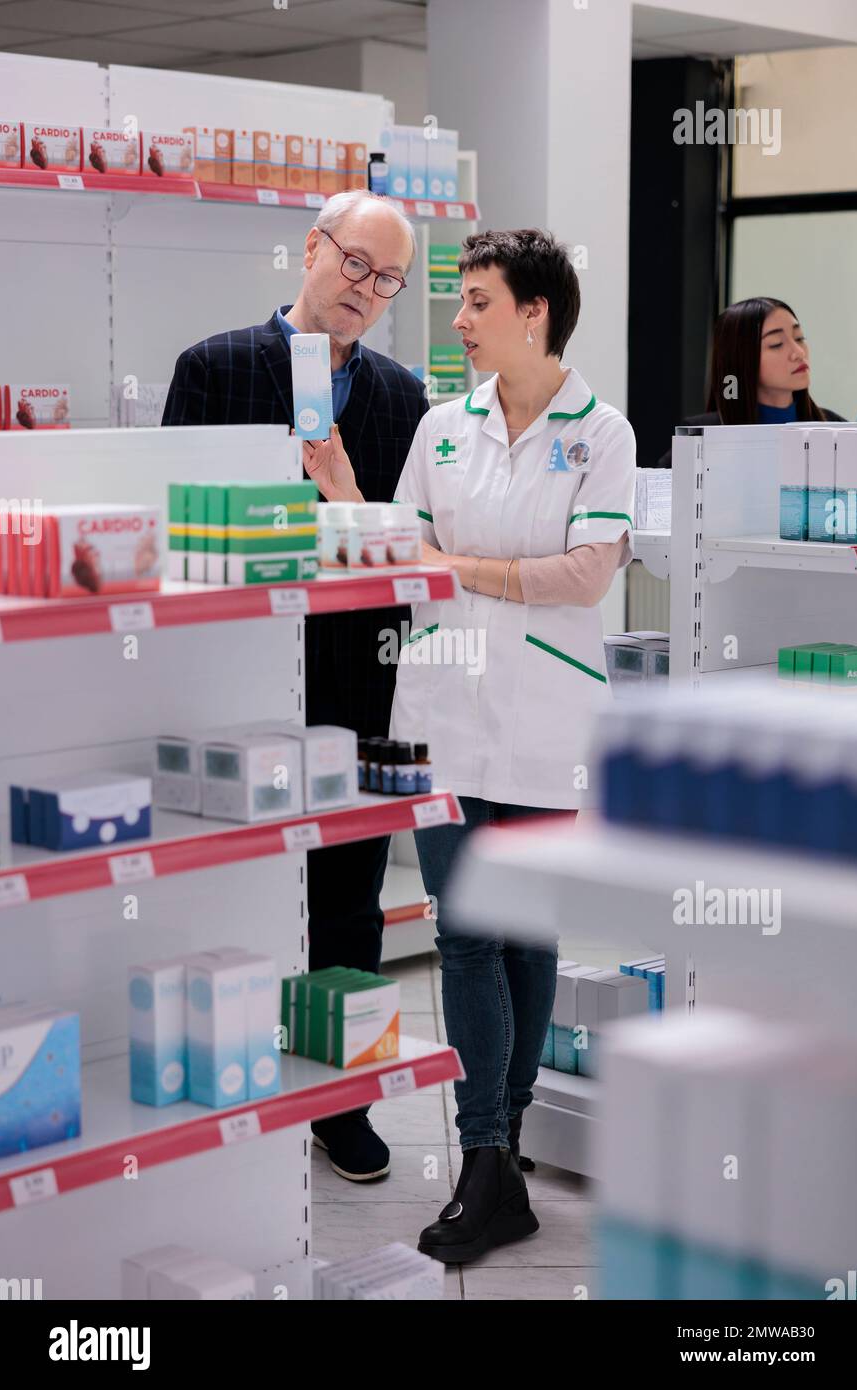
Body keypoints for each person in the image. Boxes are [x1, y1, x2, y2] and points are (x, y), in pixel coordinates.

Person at [306, 228, 636, 1263]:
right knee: (464, 929)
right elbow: (405, 553)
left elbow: (587, 575)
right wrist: (345, 492)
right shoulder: (442, 426)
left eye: (476, 301)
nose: (456, 320)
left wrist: (460, 564)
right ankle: (484, 1153)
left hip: (546, 719)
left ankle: (504, 1154)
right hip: (445, 710)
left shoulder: (601, 432)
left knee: (525, 932)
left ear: (533, 311)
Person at [162, 189, 426, 1184]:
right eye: (355, 264)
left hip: (357, 680)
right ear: (311, 248)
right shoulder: (216, 365)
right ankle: (226, 1074)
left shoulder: (404, 397)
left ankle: (340, 1097)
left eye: (387, 279)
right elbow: (179, 529)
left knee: (348, 897)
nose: (366, 290)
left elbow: (406, 554)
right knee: (228, 887)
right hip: (233, 677)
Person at [656, 296, 843, 466]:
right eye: (777, 344)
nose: (799, 353)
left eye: (799, 338)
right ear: (741, 359)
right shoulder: (700, 438)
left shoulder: (838, 429)